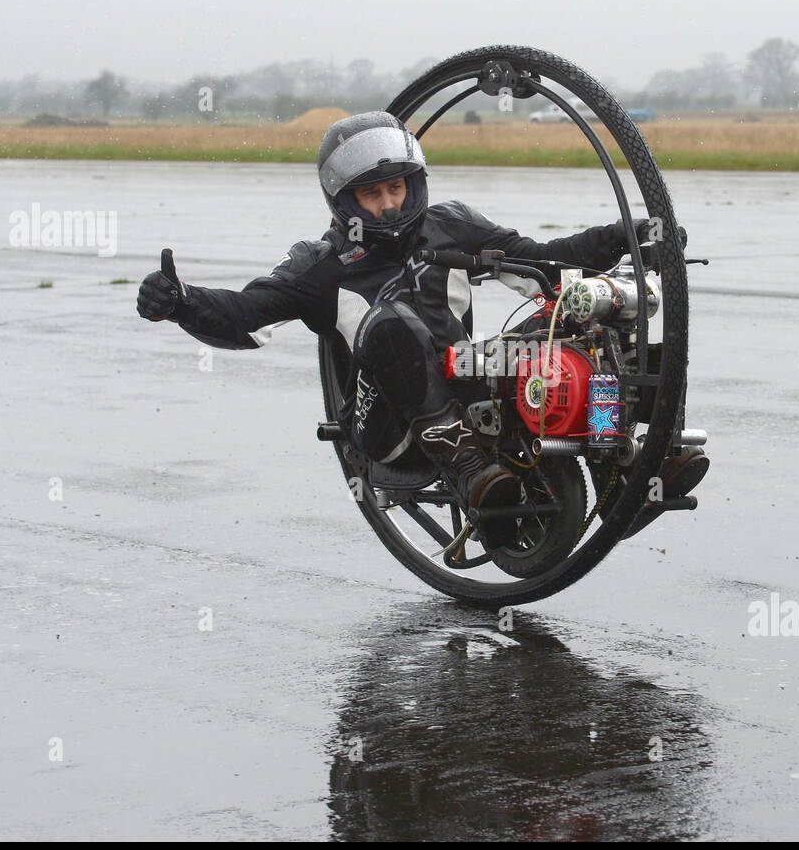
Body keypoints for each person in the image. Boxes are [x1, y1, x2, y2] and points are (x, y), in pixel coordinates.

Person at [137, 110, 706, 549]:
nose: (389, 204)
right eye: (372, 195)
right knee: (391, 323)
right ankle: (465, 467)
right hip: (390, 431)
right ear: (345, 201)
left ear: (416, 181)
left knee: (577, 314)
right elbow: (242, 315)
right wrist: (182, 303)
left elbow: (544, 263)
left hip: (472, 387)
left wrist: (629, 238)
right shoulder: (320, 265)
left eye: (397, 188)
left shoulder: (450, 226)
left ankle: (626, 461)